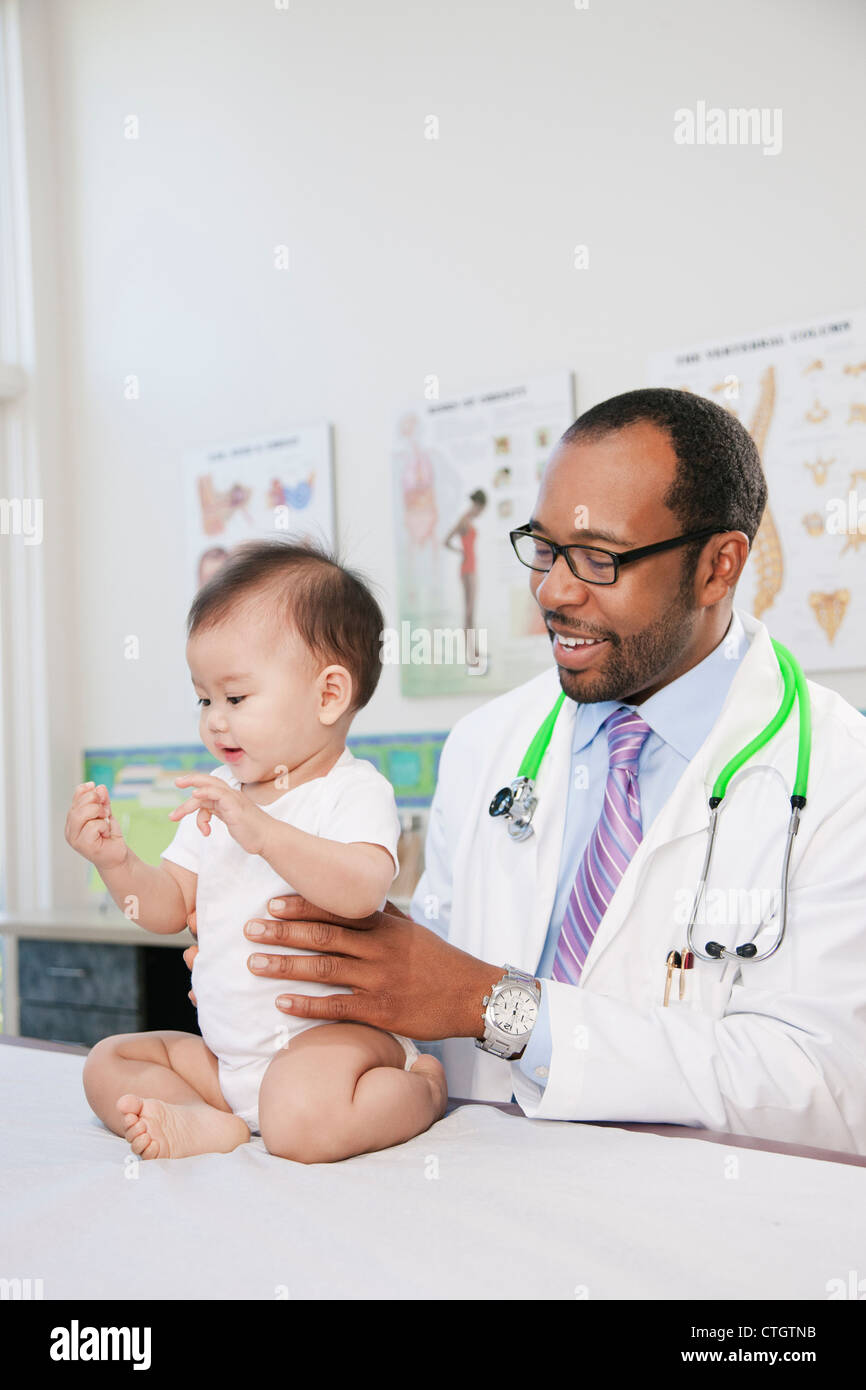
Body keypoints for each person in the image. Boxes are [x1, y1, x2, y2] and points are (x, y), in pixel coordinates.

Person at [225, 389, 866, 1157]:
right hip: (474, 1186)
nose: (553, 591)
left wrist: (495, 1006)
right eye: (545, 545)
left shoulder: (838, 776)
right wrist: (298, 963)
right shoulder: (487, 743)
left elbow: (826, 1088)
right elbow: (429, 978)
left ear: (718, 566)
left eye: (599, 558)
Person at [65, 540, 447, 1163]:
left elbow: (362, 889)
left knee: (299, 1124)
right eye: (204, 699)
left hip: (329, 1043)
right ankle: (208, 1122)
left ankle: (422, 1089)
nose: (215, 721)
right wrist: (115, 862)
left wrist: (263, 831)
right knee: (109, 1061)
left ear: (328, 696)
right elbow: (165, 908)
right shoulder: (219, 803)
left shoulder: (351, 790)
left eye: (235, 698)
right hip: (228, 1058)